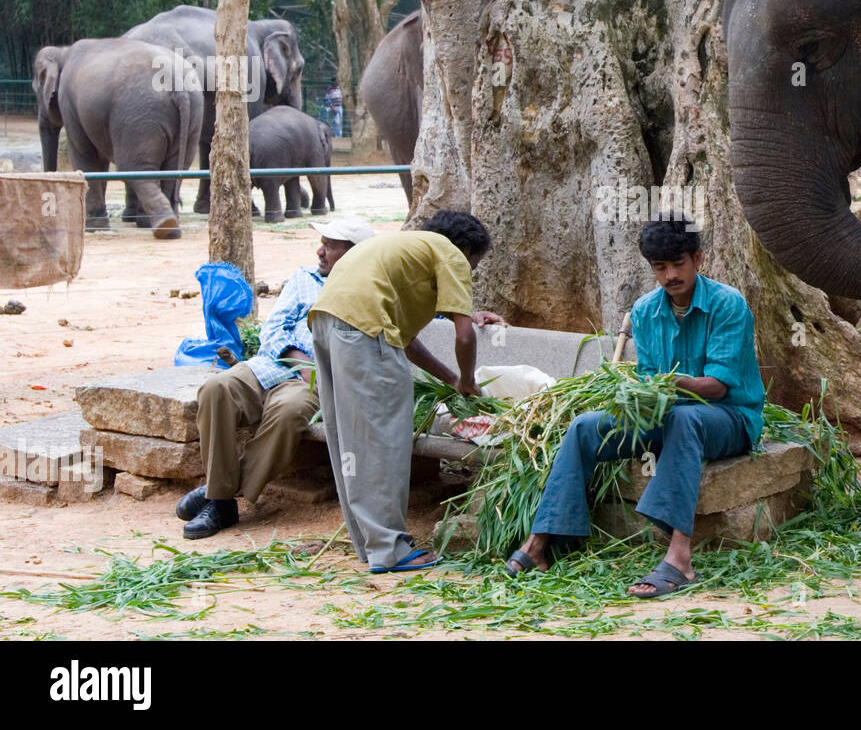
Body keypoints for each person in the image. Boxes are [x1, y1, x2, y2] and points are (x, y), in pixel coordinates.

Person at [504, 214, 765, 598]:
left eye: (679, 264)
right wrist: (633, 394)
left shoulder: (728, 305)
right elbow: (644, 378)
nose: (670, 275)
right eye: (660, 267)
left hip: (728, 418)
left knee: (684, 416)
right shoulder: (644, 310)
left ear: (699, 259)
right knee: (585, 427)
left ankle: (679, 559)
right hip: (665, 415)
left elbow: (715, 387)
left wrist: (660, 385)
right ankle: (540, 544)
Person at [308, 210, 502, 573]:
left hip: (325, 321)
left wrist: (450, 380)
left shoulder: (403, 248)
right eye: (474, 263)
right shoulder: (450, 254)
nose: (471, 271)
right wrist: (469, 380)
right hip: (363, 332)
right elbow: (464, 333)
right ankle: (390, 549)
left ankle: (372, 543)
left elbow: (407, 341)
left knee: (349, 438)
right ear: (465, 249)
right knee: (384, 438)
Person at [176, 216, 376, 539]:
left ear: (353, 254)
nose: (319, 252)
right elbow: (273, 329)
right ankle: (220, 498)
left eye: (329, 246)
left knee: (289, 413)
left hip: (313, 381)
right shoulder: (304, 278)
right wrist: (298, 359)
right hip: (271, 365)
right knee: (216, 388)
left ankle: (220, 499)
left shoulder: (369, 292)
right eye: (321, 243)